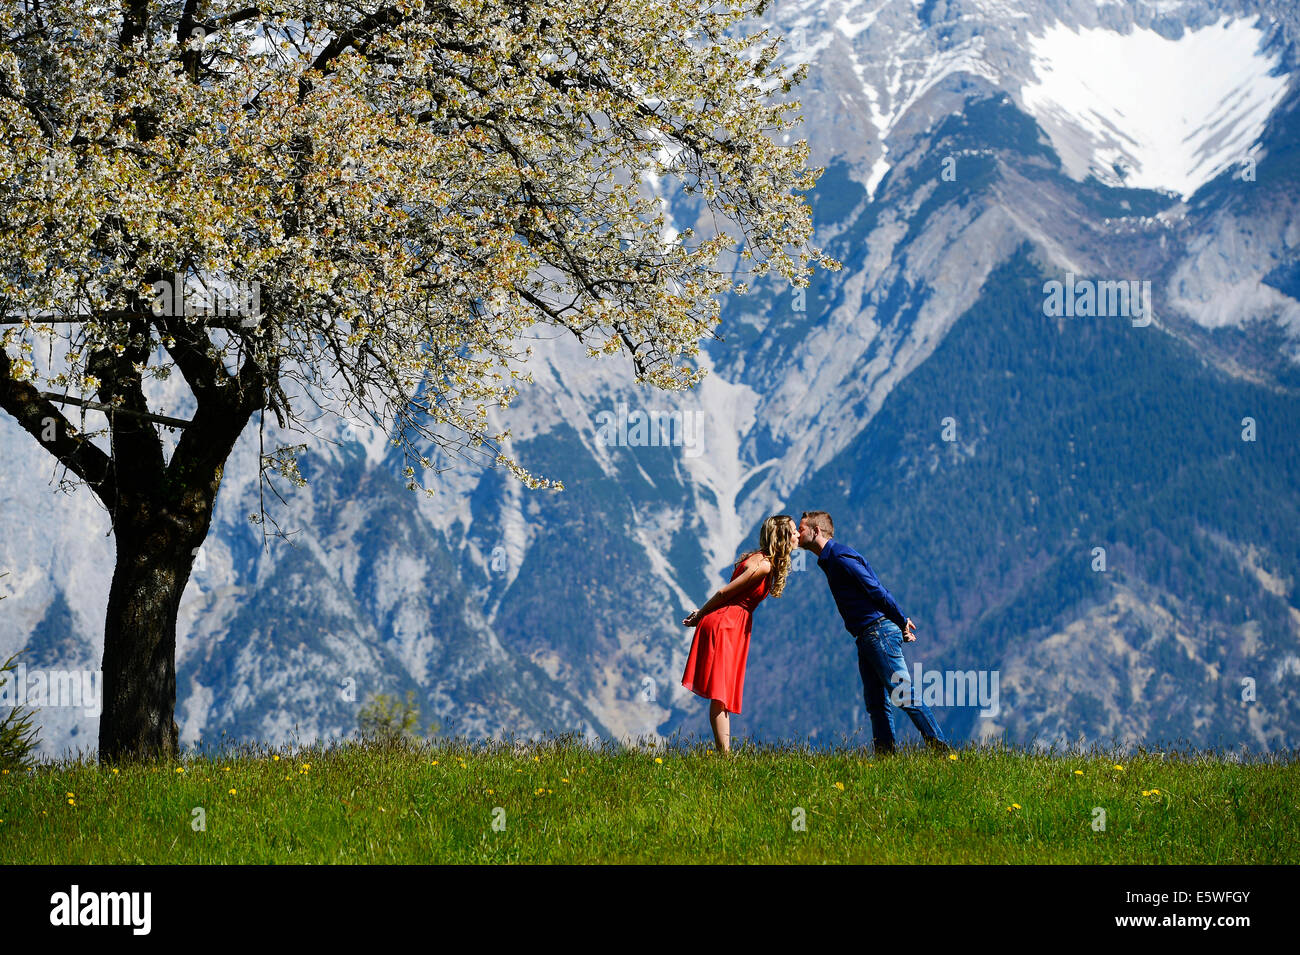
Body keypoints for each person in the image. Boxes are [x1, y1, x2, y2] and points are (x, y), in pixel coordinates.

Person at [797, 509, 952, 755]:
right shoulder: (830, 559)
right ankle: (886, 757)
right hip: (867, 637)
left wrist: (900, 620)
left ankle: (943, 751)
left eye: (801, 528)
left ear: (816, 531)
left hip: (877, 632)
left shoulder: (839, 557)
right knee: (877, 703)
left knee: (903, 694)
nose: (796, 533)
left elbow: (876, 589)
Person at [681, 515, 795, 753]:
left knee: (722, 693)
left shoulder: (758, 559)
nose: (797, 536)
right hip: (726, 625)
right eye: (793, 532)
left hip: (732, 625)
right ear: (783, 537)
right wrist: (701, 614)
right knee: (720, 694)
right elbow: (724, 593)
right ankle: (726, 758)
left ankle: (726, 755)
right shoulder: (763, 566)